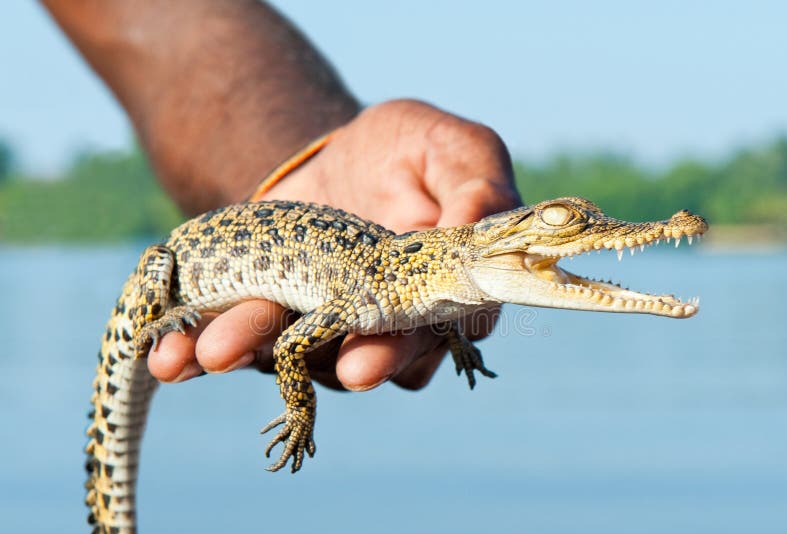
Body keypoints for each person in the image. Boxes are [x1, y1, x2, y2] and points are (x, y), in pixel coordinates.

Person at [43, 0, 520, 392]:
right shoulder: (413, 275)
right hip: (181, 270)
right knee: (160, 271)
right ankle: (152, 325)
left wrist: (458, 341)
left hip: (305, 245)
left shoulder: (441, 278)